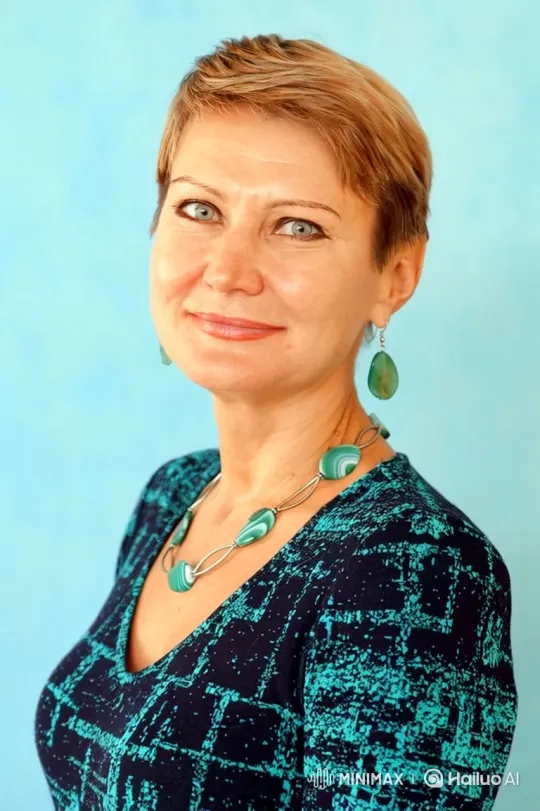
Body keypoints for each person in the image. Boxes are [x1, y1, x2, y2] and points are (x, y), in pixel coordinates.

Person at [34, 33, 518, 810]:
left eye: (298, 225)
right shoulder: (175, 495)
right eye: (200, 209)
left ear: (394, 275)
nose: (226, 270)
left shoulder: (420, 569)